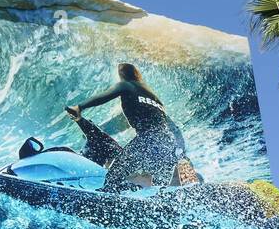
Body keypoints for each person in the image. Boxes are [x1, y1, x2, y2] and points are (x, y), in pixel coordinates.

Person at [64, 63, 200, 189]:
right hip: (167, 144)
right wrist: (181, 151)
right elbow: (174, 128)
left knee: (114, 177)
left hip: (147, 140)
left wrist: (80, 107)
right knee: (158, 188)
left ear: (123, 75)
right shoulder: (154, 98)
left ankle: (107, 200)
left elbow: (106, 96)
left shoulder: (127, 85)